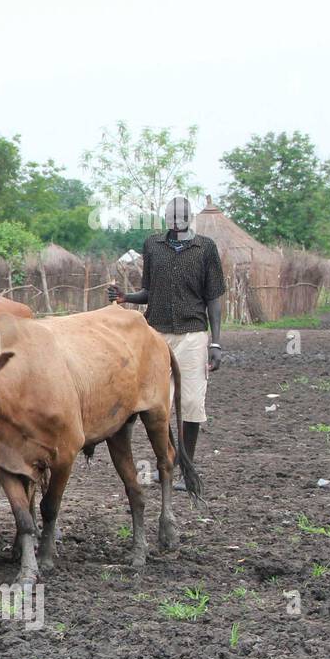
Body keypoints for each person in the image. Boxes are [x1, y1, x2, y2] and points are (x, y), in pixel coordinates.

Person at [108, 196, 225, 487]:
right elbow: (149, 291)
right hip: (156, 335)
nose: (176, 220)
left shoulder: (205, 248)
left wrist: (216, 343)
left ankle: (187, 466)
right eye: (172, 216)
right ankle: (170, 459)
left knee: (192, 402)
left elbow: (213, 298)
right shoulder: (153, 246)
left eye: (182, 215)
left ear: (189, 218)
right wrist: (126, 298)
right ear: (166, 218)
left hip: (193, 334)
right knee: (158, 403)